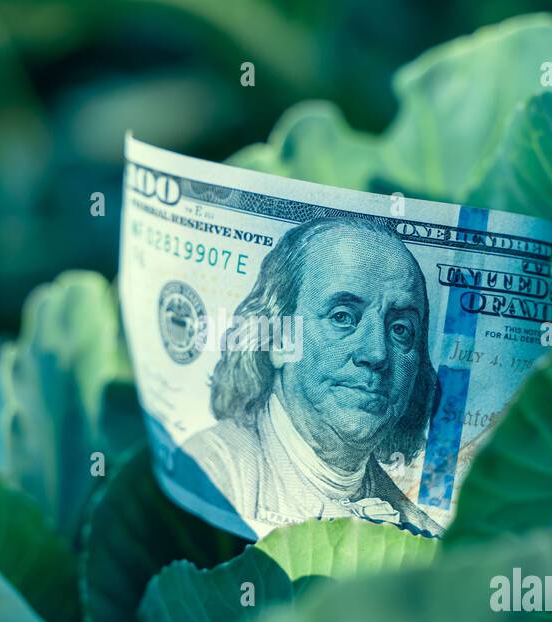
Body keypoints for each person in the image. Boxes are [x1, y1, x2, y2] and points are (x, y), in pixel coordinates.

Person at [184, 216, 443, 535]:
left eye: (401, 329)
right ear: (278, 338)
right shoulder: (210, 470)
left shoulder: (423, 534)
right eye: (343, 317)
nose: (376, 354)